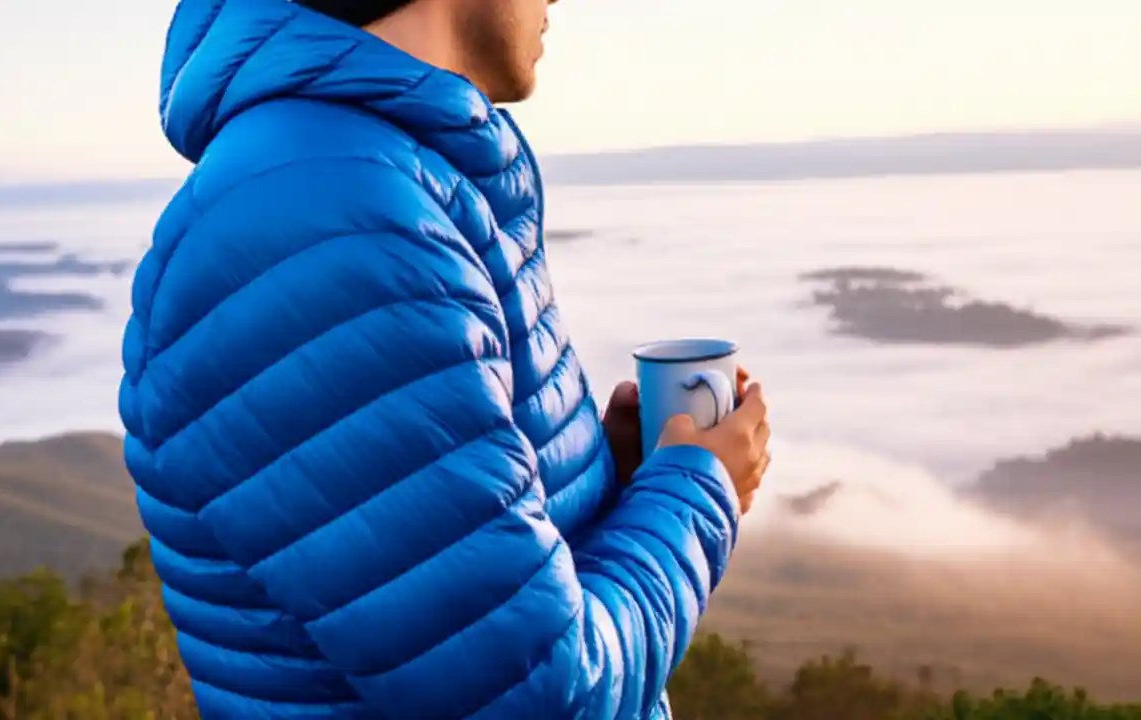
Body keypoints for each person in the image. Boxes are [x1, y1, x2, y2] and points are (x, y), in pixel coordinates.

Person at [118, 0, 772, 717]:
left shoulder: (376, 176)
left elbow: (434, 556)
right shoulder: (325, 220)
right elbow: (540, 695)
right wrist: (697, 492)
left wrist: (606, 474)